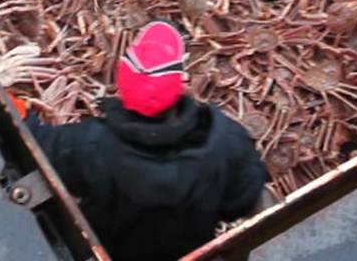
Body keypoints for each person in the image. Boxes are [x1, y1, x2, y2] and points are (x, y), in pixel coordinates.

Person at [19, 20, 270, 261]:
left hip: (103, 251)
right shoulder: (226, 143)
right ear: (181, 81)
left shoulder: (91, 145)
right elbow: (246, 202)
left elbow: (35, 147)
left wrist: (18, 107)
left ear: (123, 81)